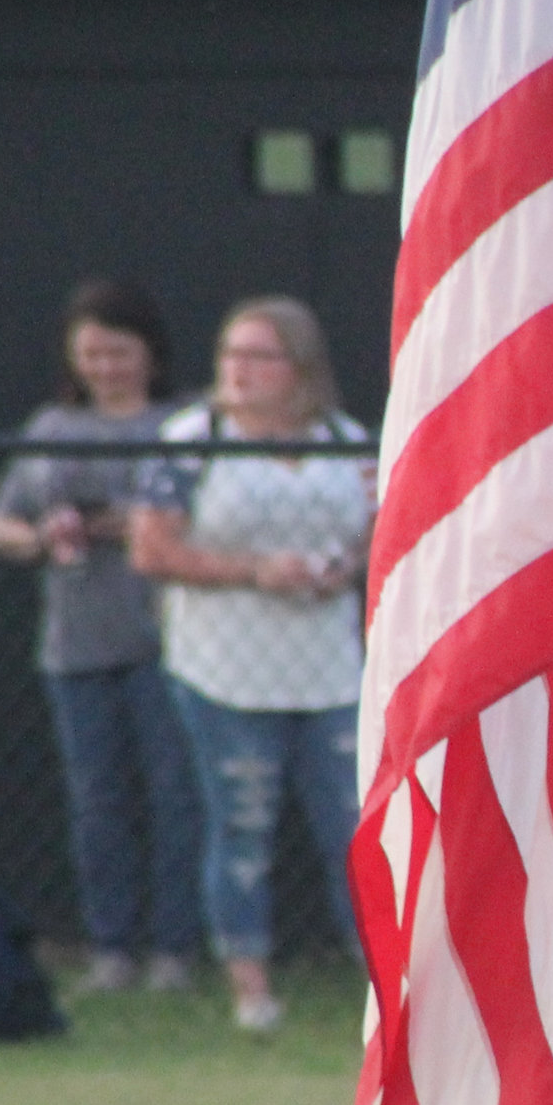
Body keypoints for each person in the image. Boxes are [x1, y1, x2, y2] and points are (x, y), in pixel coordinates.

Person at [130, 299, 371, 1032]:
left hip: (330, 667)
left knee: (354, 830)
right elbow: (152, 549)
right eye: (230, 353)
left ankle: (385, 987)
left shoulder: (345, 439)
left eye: (258, 356)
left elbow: (378, 527)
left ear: (298, 368)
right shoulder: (191, 439)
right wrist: (254, 570)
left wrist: (340, 566)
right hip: (222, 667)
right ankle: (250, 989)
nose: (237, 369)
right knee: (241, 824)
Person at [0, 279, 202, 994]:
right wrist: (47, 535)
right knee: (97, 800)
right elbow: (2, 526)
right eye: (92, 353)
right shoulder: (49, 430)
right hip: (75, 643)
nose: (106, 366)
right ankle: (111, 946)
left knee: (175, 794)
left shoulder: (182, 427)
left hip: (169, 642)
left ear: (149, 352)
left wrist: (135, 527)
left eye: (119, 351)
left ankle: (175, 949)